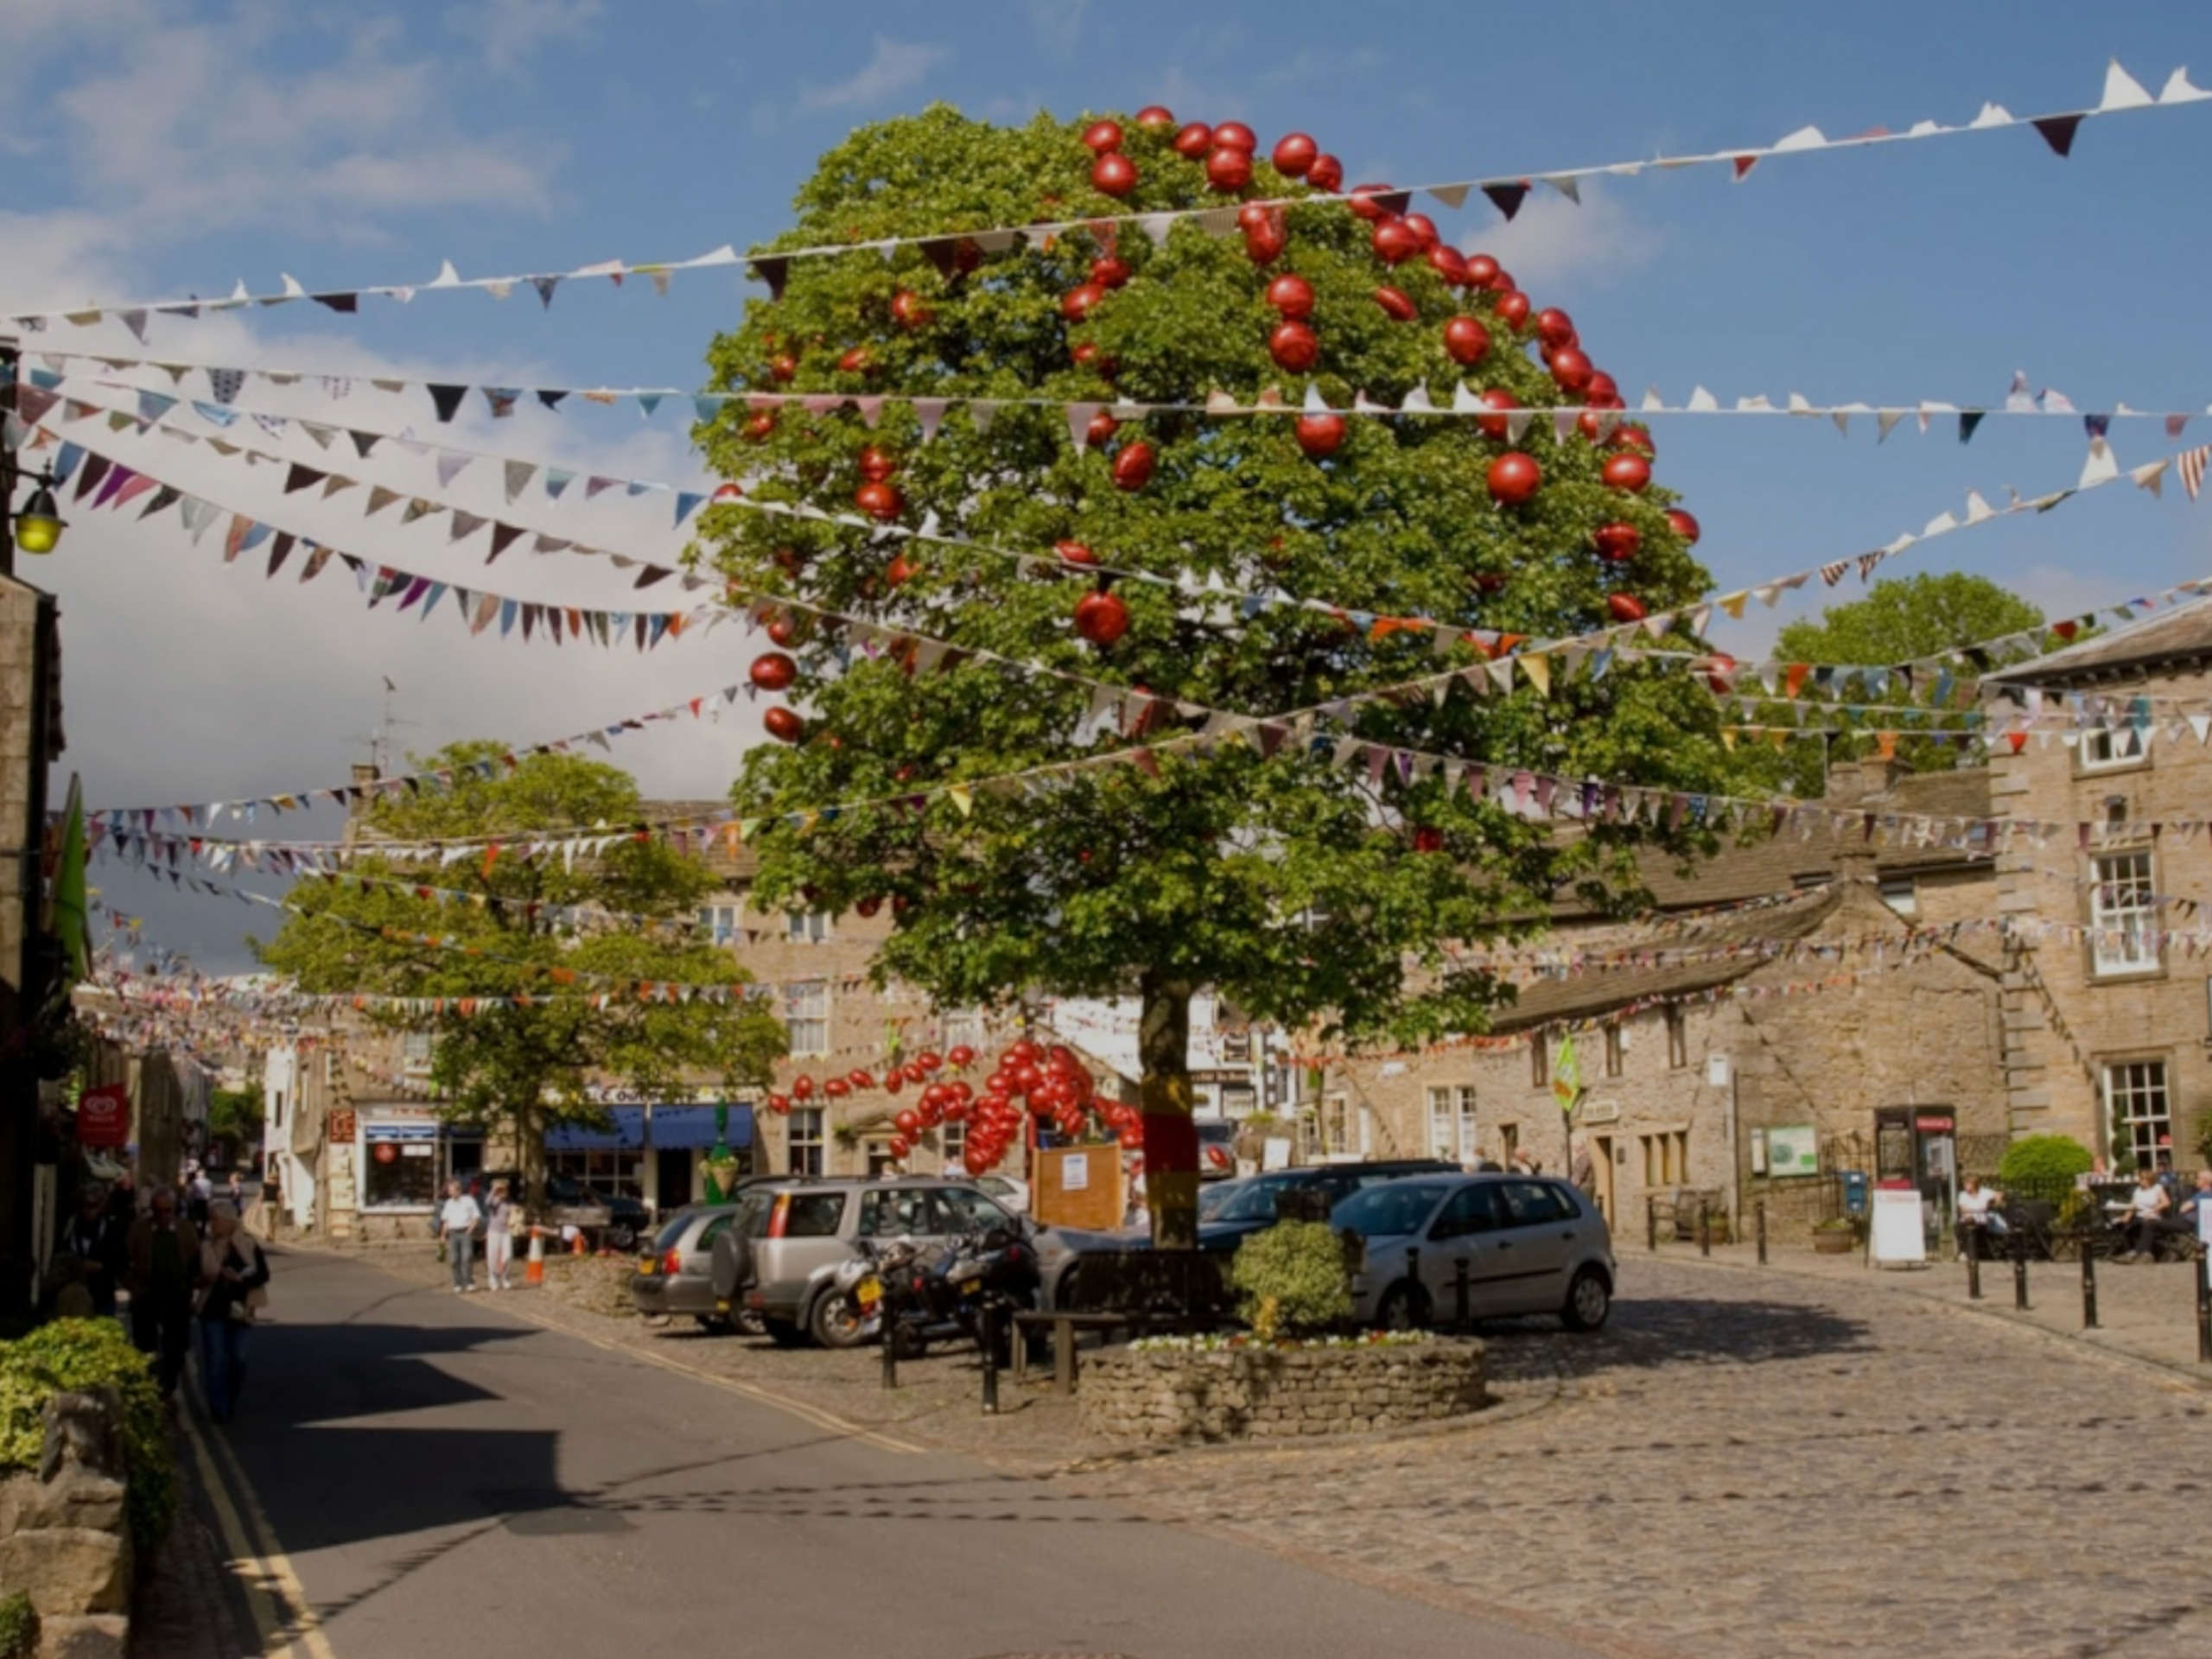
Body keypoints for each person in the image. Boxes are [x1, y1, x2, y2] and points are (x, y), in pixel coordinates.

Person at [194, 1200, 269, 1425]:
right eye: (211, 1219)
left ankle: (229, 1399)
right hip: (212, 1309)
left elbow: (263, 1275)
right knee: (216, 1360)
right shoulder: (205, 1246)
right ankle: (220, 1409)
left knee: (239, 1360)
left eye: (215, 1219)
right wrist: (204, 1280)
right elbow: (192, 1275)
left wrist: (240, 1279)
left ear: (228, 1222)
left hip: (240, 1310)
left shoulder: (248, 1245)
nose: (212, 1224)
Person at [125, 1189, 200, 1401]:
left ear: (174, 1210)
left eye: (167, 1211)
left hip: (177, 1296)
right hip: (146, 1296)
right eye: (157, 1211)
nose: (163, 1216)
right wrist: (133, 1287)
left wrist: (194, 1286)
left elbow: (196, 1259)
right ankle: (150, 1388)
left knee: (177, 1347)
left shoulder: (186, 1229)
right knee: (145, 1345)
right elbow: (125, 1259)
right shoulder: (139, 1229)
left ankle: (168, 1387)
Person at [56, 1182, 125, 1318]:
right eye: (83, 1205)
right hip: (75, 1293)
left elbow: (121, 1262)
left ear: (102, 1206)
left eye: (92, 1206)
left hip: (102, 1294)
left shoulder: (112, 1228)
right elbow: (61, 1254)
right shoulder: (72, 1226)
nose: (87, 1210)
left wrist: (101, 1266)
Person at [439, 1180, 482, 1293]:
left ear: (458, 1190)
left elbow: (476, 1217)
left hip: (465, 1231)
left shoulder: (469, 1201)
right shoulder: (448, 1203)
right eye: (449, 1191)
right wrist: (443, 1235)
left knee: (467, 1257)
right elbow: (446, 1221)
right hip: (453, 1233)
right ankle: (457, 1283)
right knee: (454, 1259)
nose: (449, 1193)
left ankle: (469, 1282)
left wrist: (470, 1230)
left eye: (451, 1190)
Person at [2120, 1168, 2172, 1260]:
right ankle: (2129, 1251)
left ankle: (2138, 1252)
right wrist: (2126, 1217)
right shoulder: (2138, 1190)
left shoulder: (2157, 1188)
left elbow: (2166, 1202)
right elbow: (2133, 1205)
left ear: (2149, 1180)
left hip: (2152, 1216)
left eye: (2143, 1179)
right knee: (2125, 1225)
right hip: (2139, 1216)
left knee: (2146, 1224)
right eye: (2140, 1179)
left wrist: (2153, 1210)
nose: (2141, 1181)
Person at [1955, 1176, 2008, 1262]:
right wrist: (1980, 1210)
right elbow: (1963, 1210)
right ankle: (1964, 1251)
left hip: (1981, 1222)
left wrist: (1995, 1202)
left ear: (1974, 1184)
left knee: (1974, 1225)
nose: (1965, 1186)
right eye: (1965, 1184)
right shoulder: (1963, 1195)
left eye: (1967, 1184)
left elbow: (2000, 1194)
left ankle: (1968, 1252)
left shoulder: (1984, 1193)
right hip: (1967, 1221)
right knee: (1965, 1223)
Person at [483, 1180, 515, 1291]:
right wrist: (494, 1190)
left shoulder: (509, 1202)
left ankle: (505, 1277)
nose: (502, 1192)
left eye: (504, 1190)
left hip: (506, 1231)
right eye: (500, 1190)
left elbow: (514, 1215)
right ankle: (493, 1278)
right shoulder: (494, 1202)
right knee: (493, 1257)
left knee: (508, 1255)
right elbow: (487, 1203)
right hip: (494, 1231)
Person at [2180, 1172, 2212, 1260]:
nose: (2195, 1180)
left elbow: (2183, 1209)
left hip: (2199, 1230)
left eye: (2198, 1178)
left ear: (2205, 1181)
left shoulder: (2203, 1195)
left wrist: (2185, 1206)